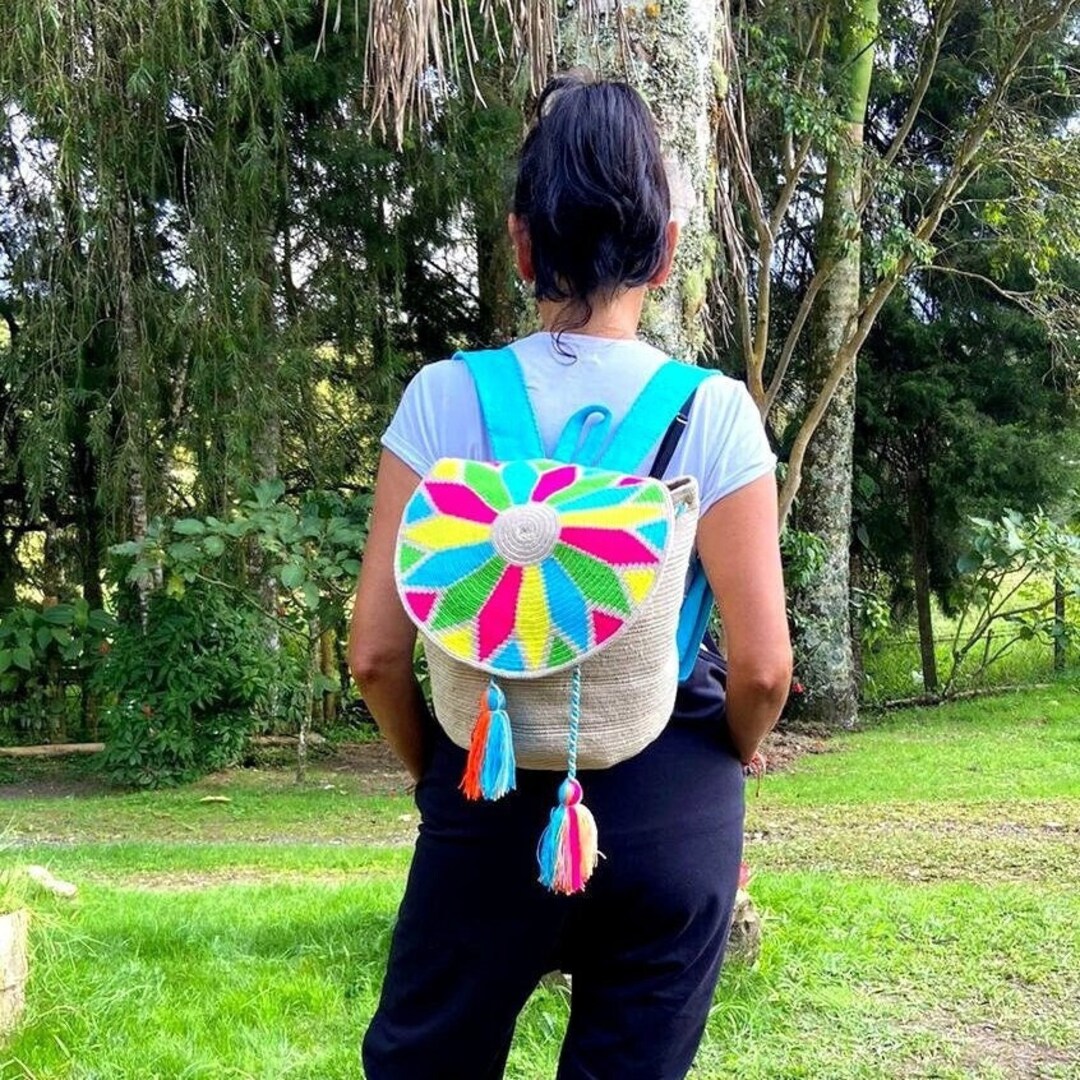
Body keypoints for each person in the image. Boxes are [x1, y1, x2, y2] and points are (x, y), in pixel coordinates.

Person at [349, 73, 792, 1080]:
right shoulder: (713, 414)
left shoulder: (441, 402)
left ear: (520, 243)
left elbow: (376, 655)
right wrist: (731, 757)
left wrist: (441, 781)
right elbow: (765, 670)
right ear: (667, 249)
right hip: (668, 801)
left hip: (487, 781)